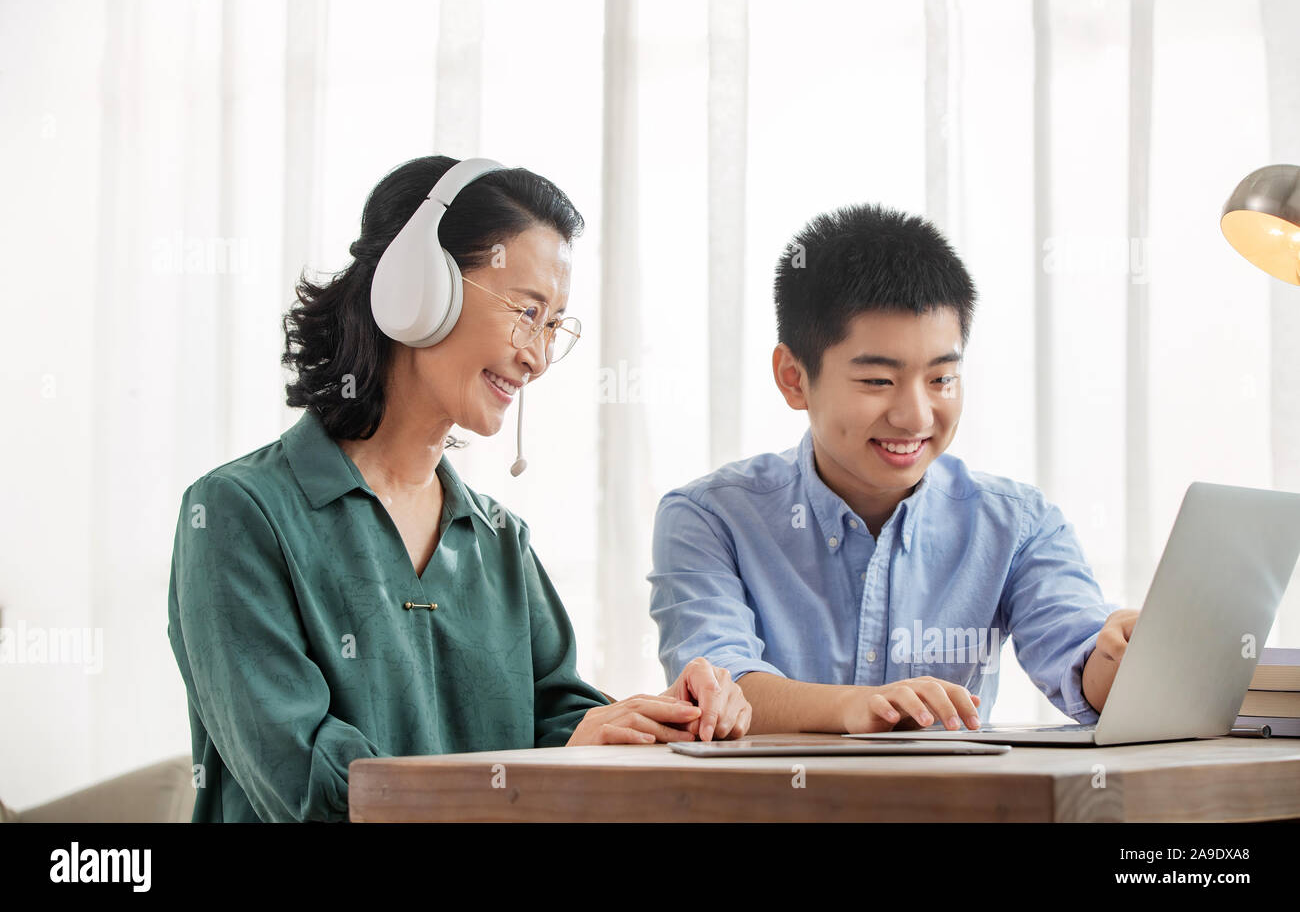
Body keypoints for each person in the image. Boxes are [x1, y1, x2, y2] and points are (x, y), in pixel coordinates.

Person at [167, 156, 751, 823]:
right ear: (420, 288)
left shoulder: (498, 539)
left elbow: (556, 722)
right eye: (527, 312)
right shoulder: (238, 515)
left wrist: (666, 720)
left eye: (554, 326)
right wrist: (539, 779)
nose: (537, 355)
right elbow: (314, 790)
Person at [649, 203, 1138, 736]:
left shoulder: (1018, 523)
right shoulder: (709, 517)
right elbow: (720, 689)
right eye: (878, 381)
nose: (916, 417)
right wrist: (859, 707)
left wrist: (1127, 657)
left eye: (941, 379)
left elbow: (1081, 658)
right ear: (794, 378)